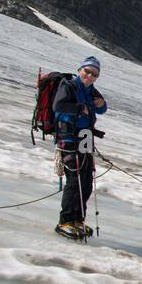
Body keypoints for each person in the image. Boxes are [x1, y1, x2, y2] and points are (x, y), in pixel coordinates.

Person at [54, 56, 107, 239]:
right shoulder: (69, 86)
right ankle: (65, 221)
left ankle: (77, 220)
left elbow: (101, 108)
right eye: (88, 72)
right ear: (80, 70)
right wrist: (79, 109)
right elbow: (58, 105)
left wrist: (101, 104)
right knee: (75, 178)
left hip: (85, 137)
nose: (90, 76)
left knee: (85, 180)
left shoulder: (91, 90)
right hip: (69, 137)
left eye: (94, 74)